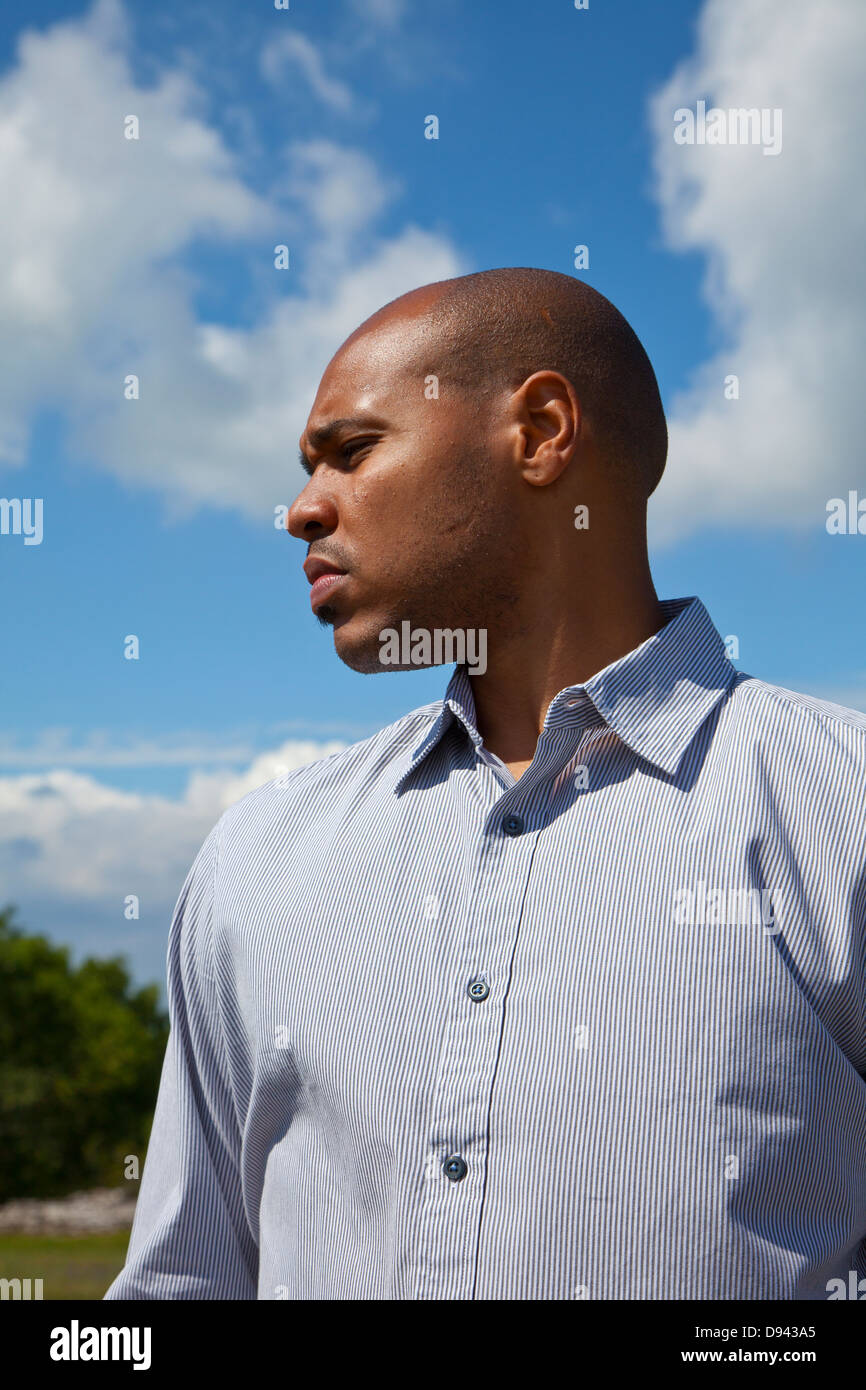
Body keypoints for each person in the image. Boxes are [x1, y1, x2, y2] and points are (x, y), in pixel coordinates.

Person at [105, 268, 866, 1300]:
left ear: (542, 431)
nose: (298, 510)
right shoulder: (254, 860)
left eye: (352, 450)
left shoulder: (841, 811)